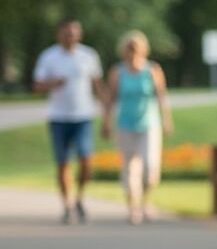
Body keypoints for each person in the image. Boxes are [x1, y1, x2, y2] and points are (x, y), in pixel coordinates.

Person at [32, 18, 106, 224]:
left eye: (73, 32)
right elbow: (37, 86)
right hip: (58, 117)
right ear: (59, 34)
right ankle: (66, 205)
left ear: (79, 34)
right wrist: (51, 84)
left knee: (85, 161)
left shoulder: (88, 56)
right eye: (66, 32)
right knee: (62, 163)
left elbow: (97, 85)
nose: (70, 36)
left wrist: (107, 112)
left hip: (83, 117)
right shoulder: (49, 56)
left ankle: (79, 198)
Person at [101, 31, 173, 224]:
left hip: (149, 124)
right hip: (125, 125)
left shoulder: (152, 70)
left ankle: (146, 202)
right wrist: (106, 122)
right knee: (129, 169)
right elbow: (109, 100)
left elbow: (161, 96)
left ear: (143, 49)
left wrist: (167, 119)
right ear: (123, 50)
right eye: (128, 47)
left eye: (135, 47)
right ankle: (133, 208)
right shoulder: (117, 72)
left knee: (150, 168)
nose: (132, 51)